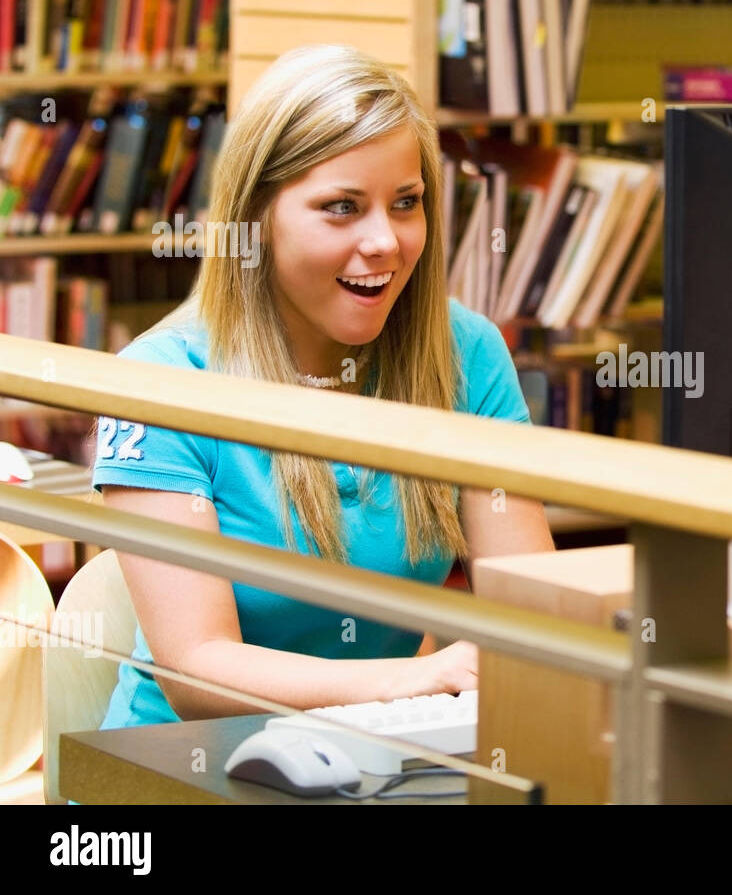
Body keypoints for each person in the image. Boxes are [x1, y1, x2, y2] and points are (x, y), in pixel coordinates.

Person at [91, 44, 555, 729]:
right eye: (342, 207)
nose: (386, 243)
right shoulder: (160, 381)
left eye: (406, 203)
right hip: (184, 768)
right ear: (257, 219)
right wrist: (419, 677)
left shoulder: (467, 354)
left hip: (374, 760)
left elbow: (534, 611)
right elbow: (196, 668)